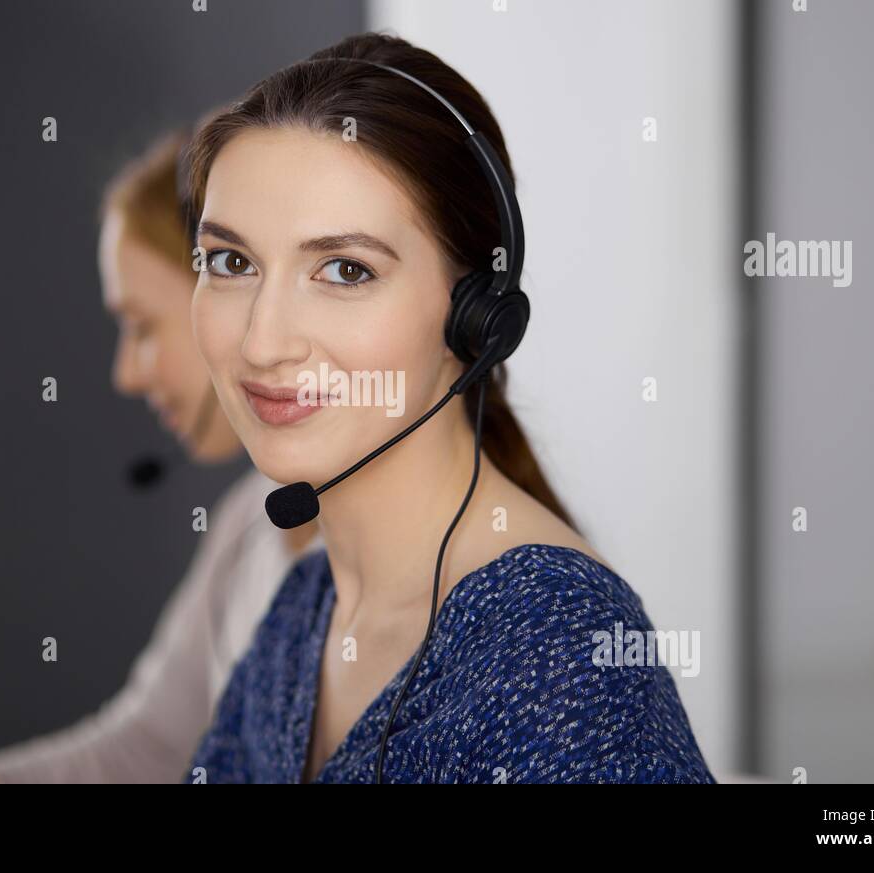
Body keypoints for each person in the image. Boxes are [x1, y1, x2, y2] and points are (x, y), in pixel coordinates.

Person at [182, 32, 714, 783]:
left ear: (477, 316)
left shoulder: (554, 644)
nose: (263, 342)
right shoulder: (307, 608)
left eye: (343, 269)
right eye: (232, 262)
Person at [0, 132, 320, 784]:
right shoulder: (253, 519)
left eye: (142, 325)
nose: (125, 373)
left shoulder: (391, 554)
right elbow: (149, 747)